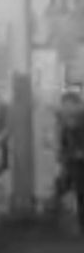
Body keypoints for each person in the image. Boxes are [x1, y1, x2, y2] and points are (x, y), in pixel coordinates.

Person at [54, 90, 84, 230]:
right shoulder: (67, 122)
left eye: (67, 104)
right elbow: (65, 142)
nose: (64, 107)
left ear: (76, 104)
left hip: (78, 161)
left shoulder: (77, 120)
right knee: (79, 192)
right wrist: (63, 154)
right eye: (63, 105)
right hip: (74, 162)